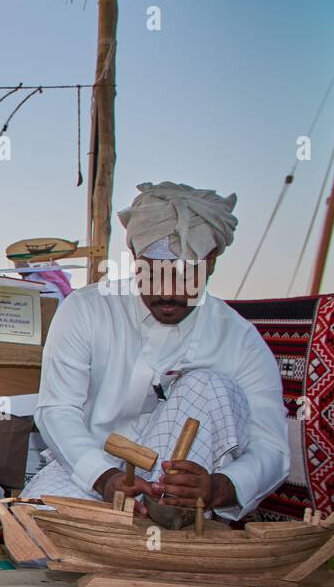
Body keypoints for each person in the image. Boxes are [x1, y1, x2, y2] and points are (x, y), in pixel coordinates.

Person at [22, 181, 288, 521]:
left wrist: (219, 488)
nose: (169, 294)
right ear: (135, 258)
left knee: (207, 385)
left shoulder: (239, 339)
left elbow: (273, 449)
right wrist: (105, 479)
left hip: (179, 498)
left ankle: (169, 530)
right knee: (34, 531)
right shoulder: (86, 309)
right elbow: (57, 409)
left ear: (211, 262)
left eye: (185, 277)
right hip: (91, 475)